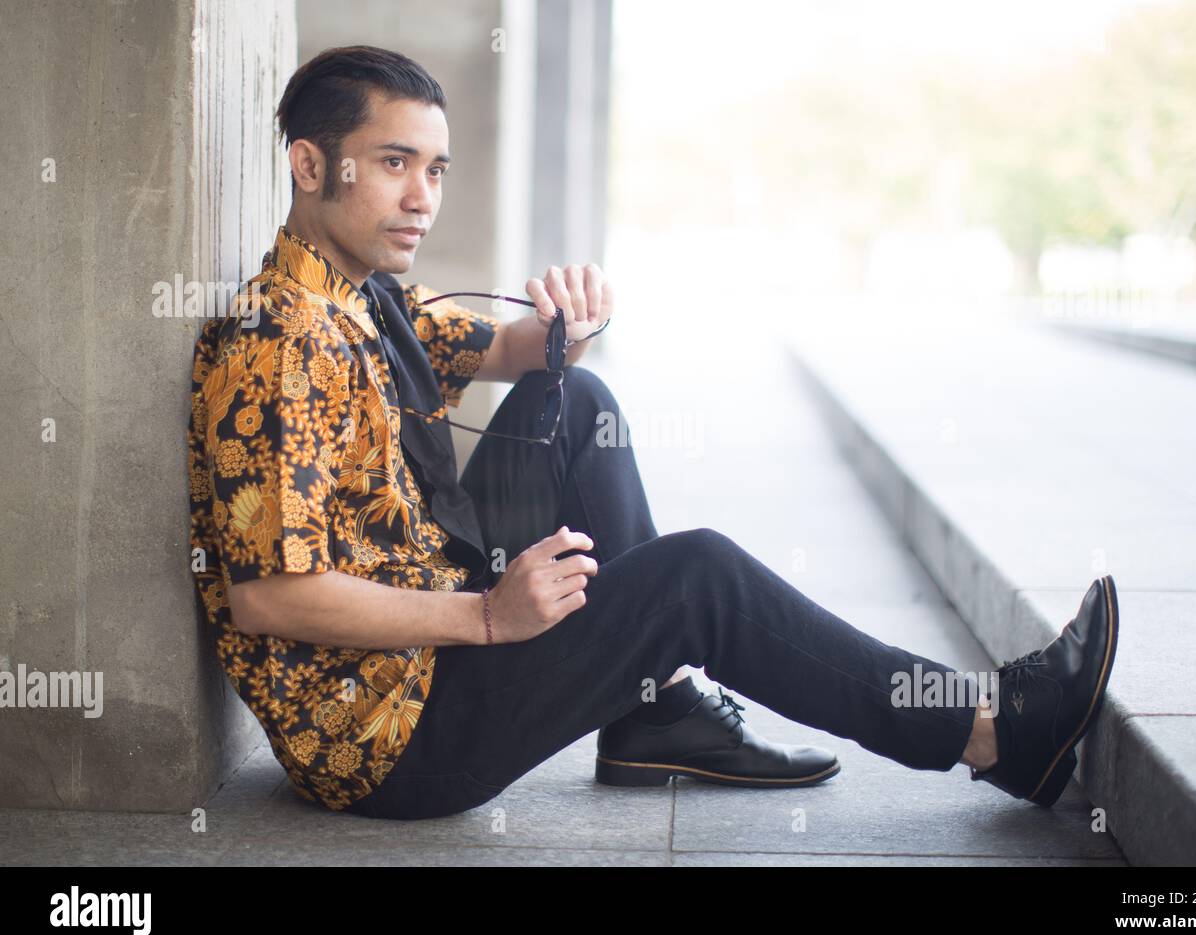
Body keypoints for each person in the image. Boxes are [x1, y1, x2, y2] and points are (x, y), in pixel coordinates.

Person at [187, 45, 1120, 821]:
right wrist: (485, 617)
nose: (423, 196)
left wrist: (573, 321)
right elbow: (272, 596)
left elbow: (517, 349)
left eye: (434, 169)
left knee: (577, 401)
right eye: (394, 164)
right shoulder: (281, 342)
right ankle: (992, 731)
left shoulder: (363, 293)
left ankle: (657, 713)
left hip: (426, 637)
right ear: (312, 166)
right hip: (390, 737)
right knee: (695, 577)